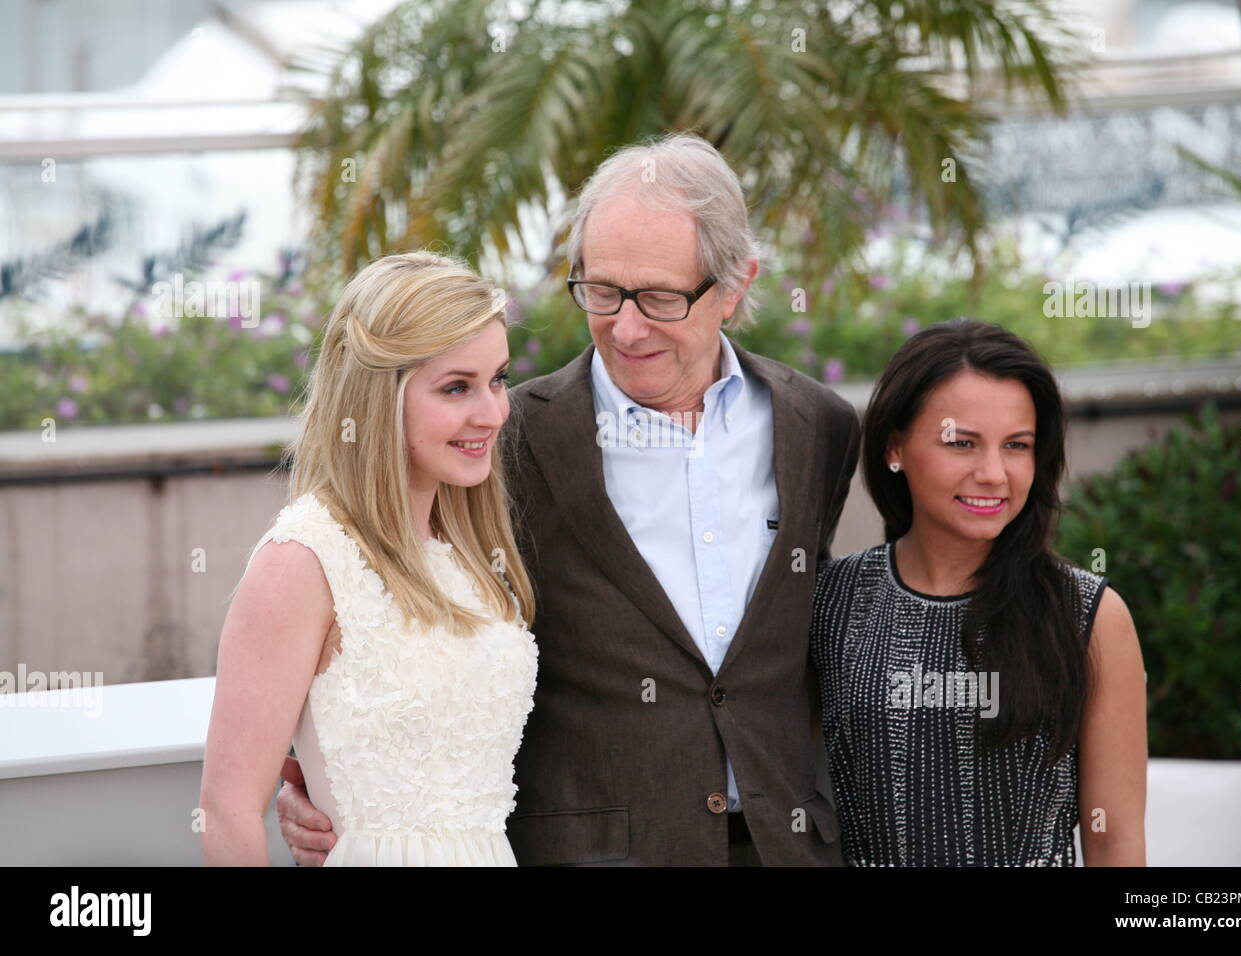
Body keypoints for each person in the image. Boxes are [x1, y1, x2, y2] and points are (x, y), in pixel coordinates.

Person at [276, 132, 861, 866]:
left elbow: (804, 633)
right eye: (603, 291)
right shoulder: (504, 440)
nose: (626, 326)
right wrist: (307, 781)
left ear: (736, 285)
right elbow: (353, 604)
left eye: (658, 297)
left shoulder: (819, 427)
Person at [199, 251, 538, 866]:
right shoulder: (301, 561)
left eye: (498, 379)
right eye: (457, 387)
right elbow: (227, 810)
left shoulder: (466, 550)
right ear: (380, 396)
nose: (492, 412)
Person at [810, 318, 1147, 866]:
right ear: (895, 445)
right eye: (961, 443)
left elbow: (1116, 842)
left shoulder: (1088, 613)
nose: (994, 473)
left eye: (1017, 446)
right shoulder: (830, 603)